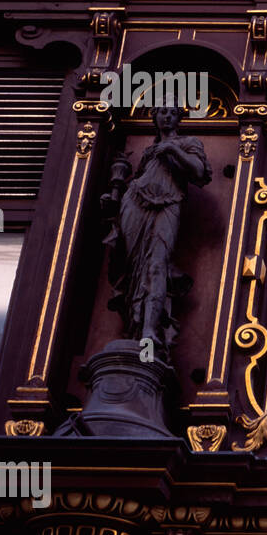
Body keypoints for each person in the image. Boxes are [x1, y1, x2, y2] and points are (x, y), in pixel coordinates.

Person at [105, 104, 212, 356]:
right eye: (161, 111)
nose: (166, 116)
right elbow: (142, 177)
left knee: (157, 264)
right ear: (154, 117)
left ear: (179, 118)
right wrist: (114, 199)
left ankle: (150, 330)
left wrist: (173, 148)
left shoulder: (189, 142)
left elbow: (199, 172)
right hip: (135, 201)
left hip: (169, 203)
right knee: (133, 268)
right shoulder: (149, 151)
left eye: (172, 112)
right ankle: (134, 326)